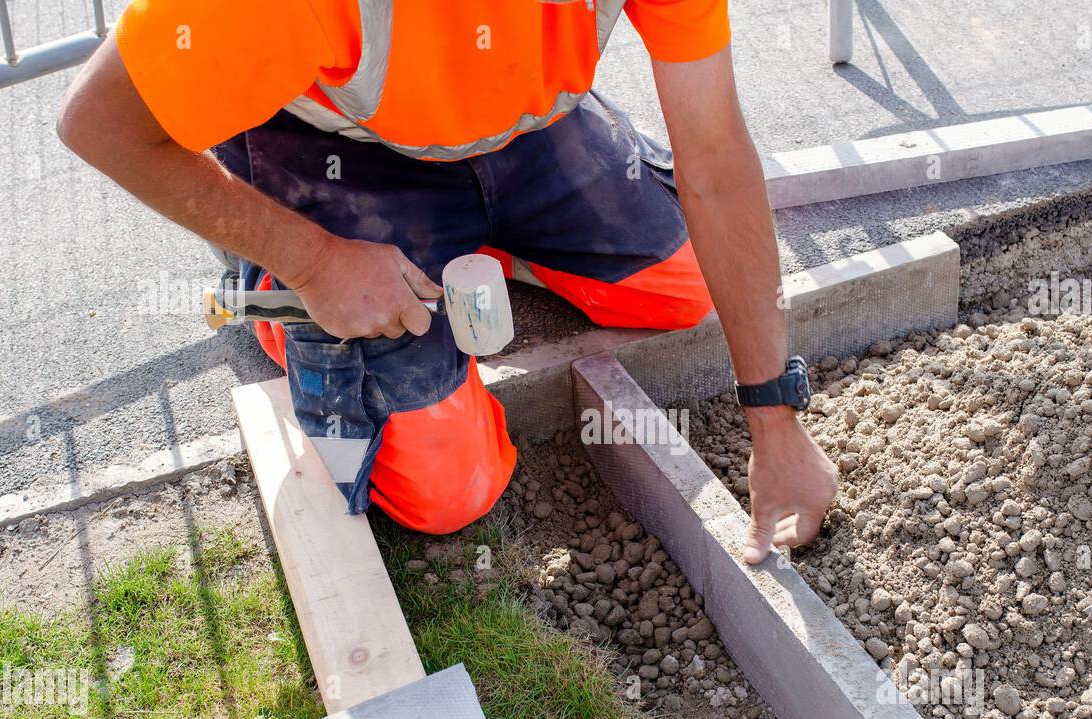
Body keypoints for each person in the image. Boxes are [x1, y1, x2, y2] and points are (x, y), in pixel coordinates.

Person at [57, 0, 836, 563]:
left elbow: (716, 153)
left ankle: (479, 232)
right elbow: (98, 122)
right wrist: (315, 261)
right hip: (335, 144)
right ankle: (282, 296)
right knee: (446, 488)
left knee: (688, 285)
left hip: (521, 122)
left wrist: (775, 417)